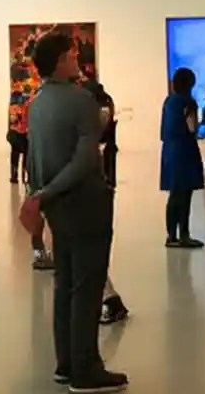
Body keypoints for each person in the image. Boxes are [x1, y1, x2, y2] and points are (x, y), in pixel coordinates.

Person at [22, 33, 127, 392]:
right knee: (87, 286)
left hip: (57, 207)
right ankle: (85, 368)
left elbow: (34, 158)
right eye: (70, 55)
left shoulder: (37, 104)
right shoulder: (81, 100)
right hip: (84, 202)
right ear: (60, 61)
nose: (75, 60)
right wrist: (50, 191)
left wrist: (40, 195)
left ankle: (66, 362)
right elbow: (84, 160)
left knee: (64, 283)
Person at [82, 79, 129, 326]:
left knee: (91, 250)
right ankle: (106, 298)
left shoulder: (98, 118)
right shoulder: (102, 114)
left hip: (96, 188)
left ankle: (110, 300)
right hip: (98, 187)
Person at [161, 67, 205, 249]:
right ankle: (184, 234)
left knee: (174, 194)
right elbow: (192, 127)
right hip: (185, 150)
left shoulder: (169, 101)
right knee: (185, 194)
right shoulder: (188, 102)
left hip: (169, 150)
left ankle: (171, 235)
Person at [8, 110, 29, 184]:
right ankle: (15, 176)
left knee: (25, 155)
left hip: (25, 132)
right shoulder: (15, 105)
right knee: (16, 155)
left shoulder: (29, 104)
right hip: (17, 132)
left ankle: (22, 176)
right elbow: (12, 119)